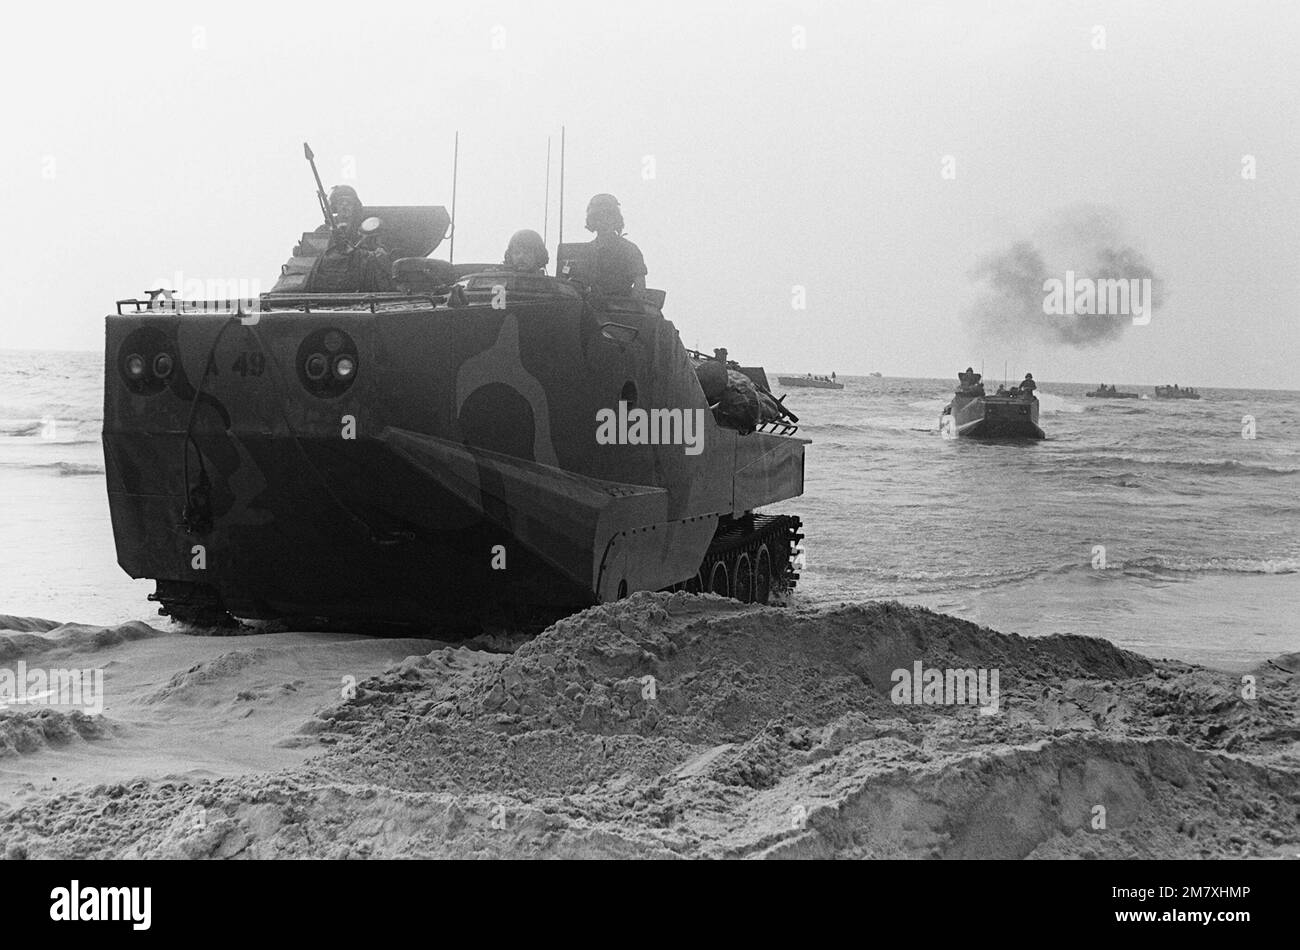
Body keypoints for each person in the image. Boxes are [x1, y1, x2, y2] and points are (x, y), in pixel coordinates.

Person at [579, 194, 647, 295]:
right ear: (592, 220)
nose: (604, 221)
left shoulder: (629, 250)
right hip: (589, 306)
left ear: (616, 219)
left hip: (618, 306)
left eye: (609, 216)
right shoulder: (585, 251)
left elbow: (639, 287)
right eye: (598, 217)